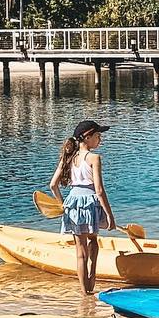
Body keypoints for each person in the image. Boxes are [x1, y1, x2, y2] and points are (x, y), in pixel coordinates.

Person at [48, 119, 117, 294]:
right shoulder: (94, 158)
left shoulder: (69, 157)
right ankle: (92, 276)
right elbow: (99, 191)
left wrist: (62, 203)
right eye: (97, 135)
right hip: (90, 204)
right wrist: (110, 215)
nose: (100, 139)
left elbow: (52, 185)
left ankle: (84, 292)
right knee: (93, 240)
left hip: (73, 204)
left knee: (80, 251)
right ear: (87, 137)